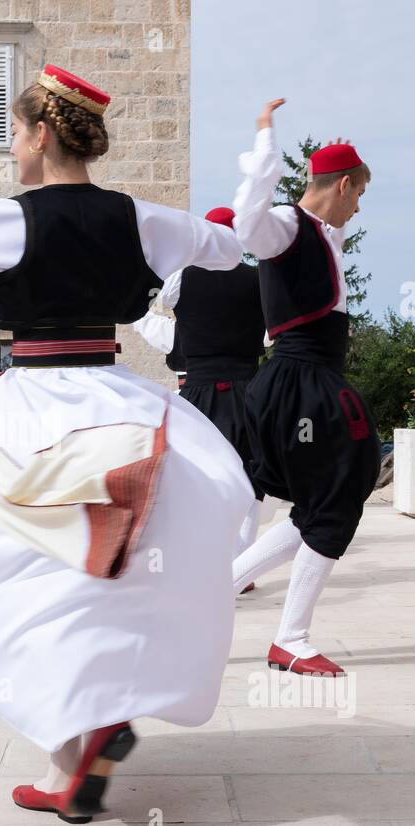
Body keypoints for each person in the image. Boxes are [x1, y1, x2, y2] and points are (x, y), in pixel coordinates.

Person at [0, 65, 253, 823]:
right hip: (116, 392)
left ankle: (74, 749)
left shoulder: (13, 219)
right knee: (100, 566)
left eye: (13, 132)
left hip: (39, 402)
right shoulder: (137, 216)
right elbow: (226, 251)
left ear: (41, 135)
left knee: (11, 570)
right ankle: (79, 747)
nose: (11, 147)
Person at [229, 98, 380, 677]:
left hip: (307, 381)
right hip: (300, 383)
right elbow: (247, 220)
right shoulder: (286, 226)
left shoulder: (319, 232)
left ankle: (224, 597)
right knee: (340, 491)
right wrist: (265, 140)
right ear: (342, 186)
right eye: (359, 194)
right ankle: (290, 636)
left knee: (323, 503)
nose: (360, 208)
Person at [131, 206, 268, 585]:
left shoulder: (182, 278)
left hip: (198, 389)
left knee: (197, 475)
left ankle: (201, 560)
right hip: (247, 387)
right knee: (251, 474)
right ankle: (241, 566)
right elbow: (272, 332)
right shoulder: (259, 280)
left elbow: (153, 309)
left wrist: (181, 335)